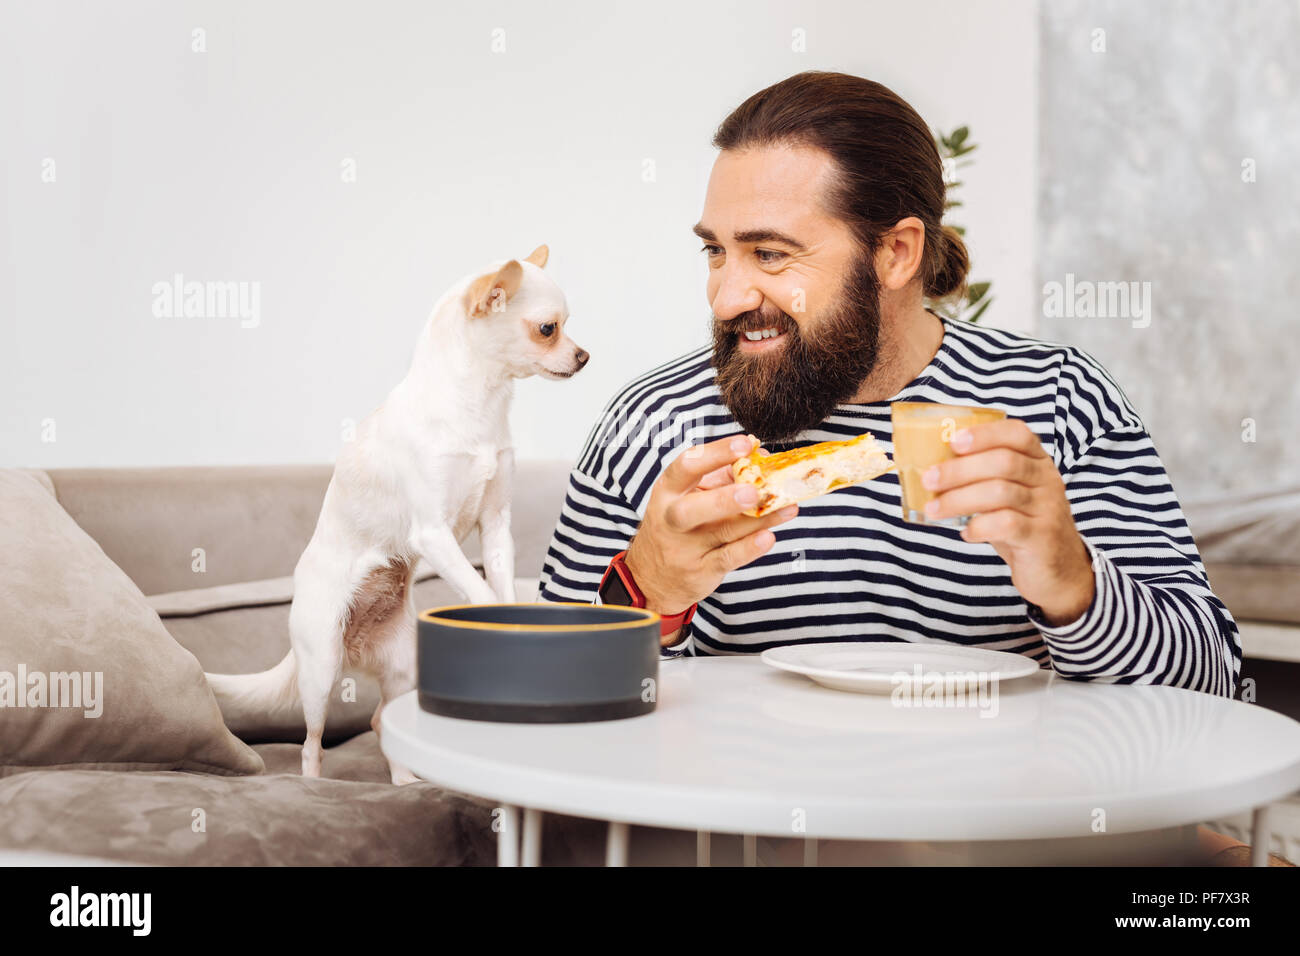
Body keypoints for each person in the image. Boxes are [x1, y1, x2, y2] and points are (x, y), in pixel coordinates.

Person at [538, 70, 1240, 698]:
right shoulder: (655, 421)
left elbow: (1215, 684)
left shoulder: (1056, 401)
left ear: (896, 253)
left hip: (1003, 829)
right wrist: (645, 592)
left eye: (770, 253)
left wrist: (1075, 584)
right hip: (744, 831)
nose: (725, 296)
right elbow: (540, 698)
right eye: (716, 252)